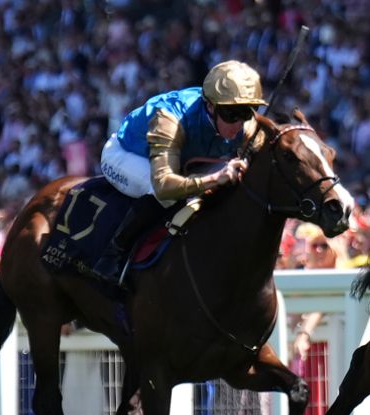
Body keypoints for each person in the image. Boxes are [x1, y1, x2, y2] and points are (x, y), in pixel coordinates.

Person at [99, 60, 265, 280]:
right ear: (210, 106)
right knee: (164, 195)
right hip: (126, 155)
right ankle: (113, 253)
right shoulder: (170, 118)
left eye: (246, 113)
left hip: (182, 161)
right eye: (231, 115)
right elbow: (164, 185)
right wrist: (215, 178)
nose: (238, 124)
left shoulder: (244, 124)